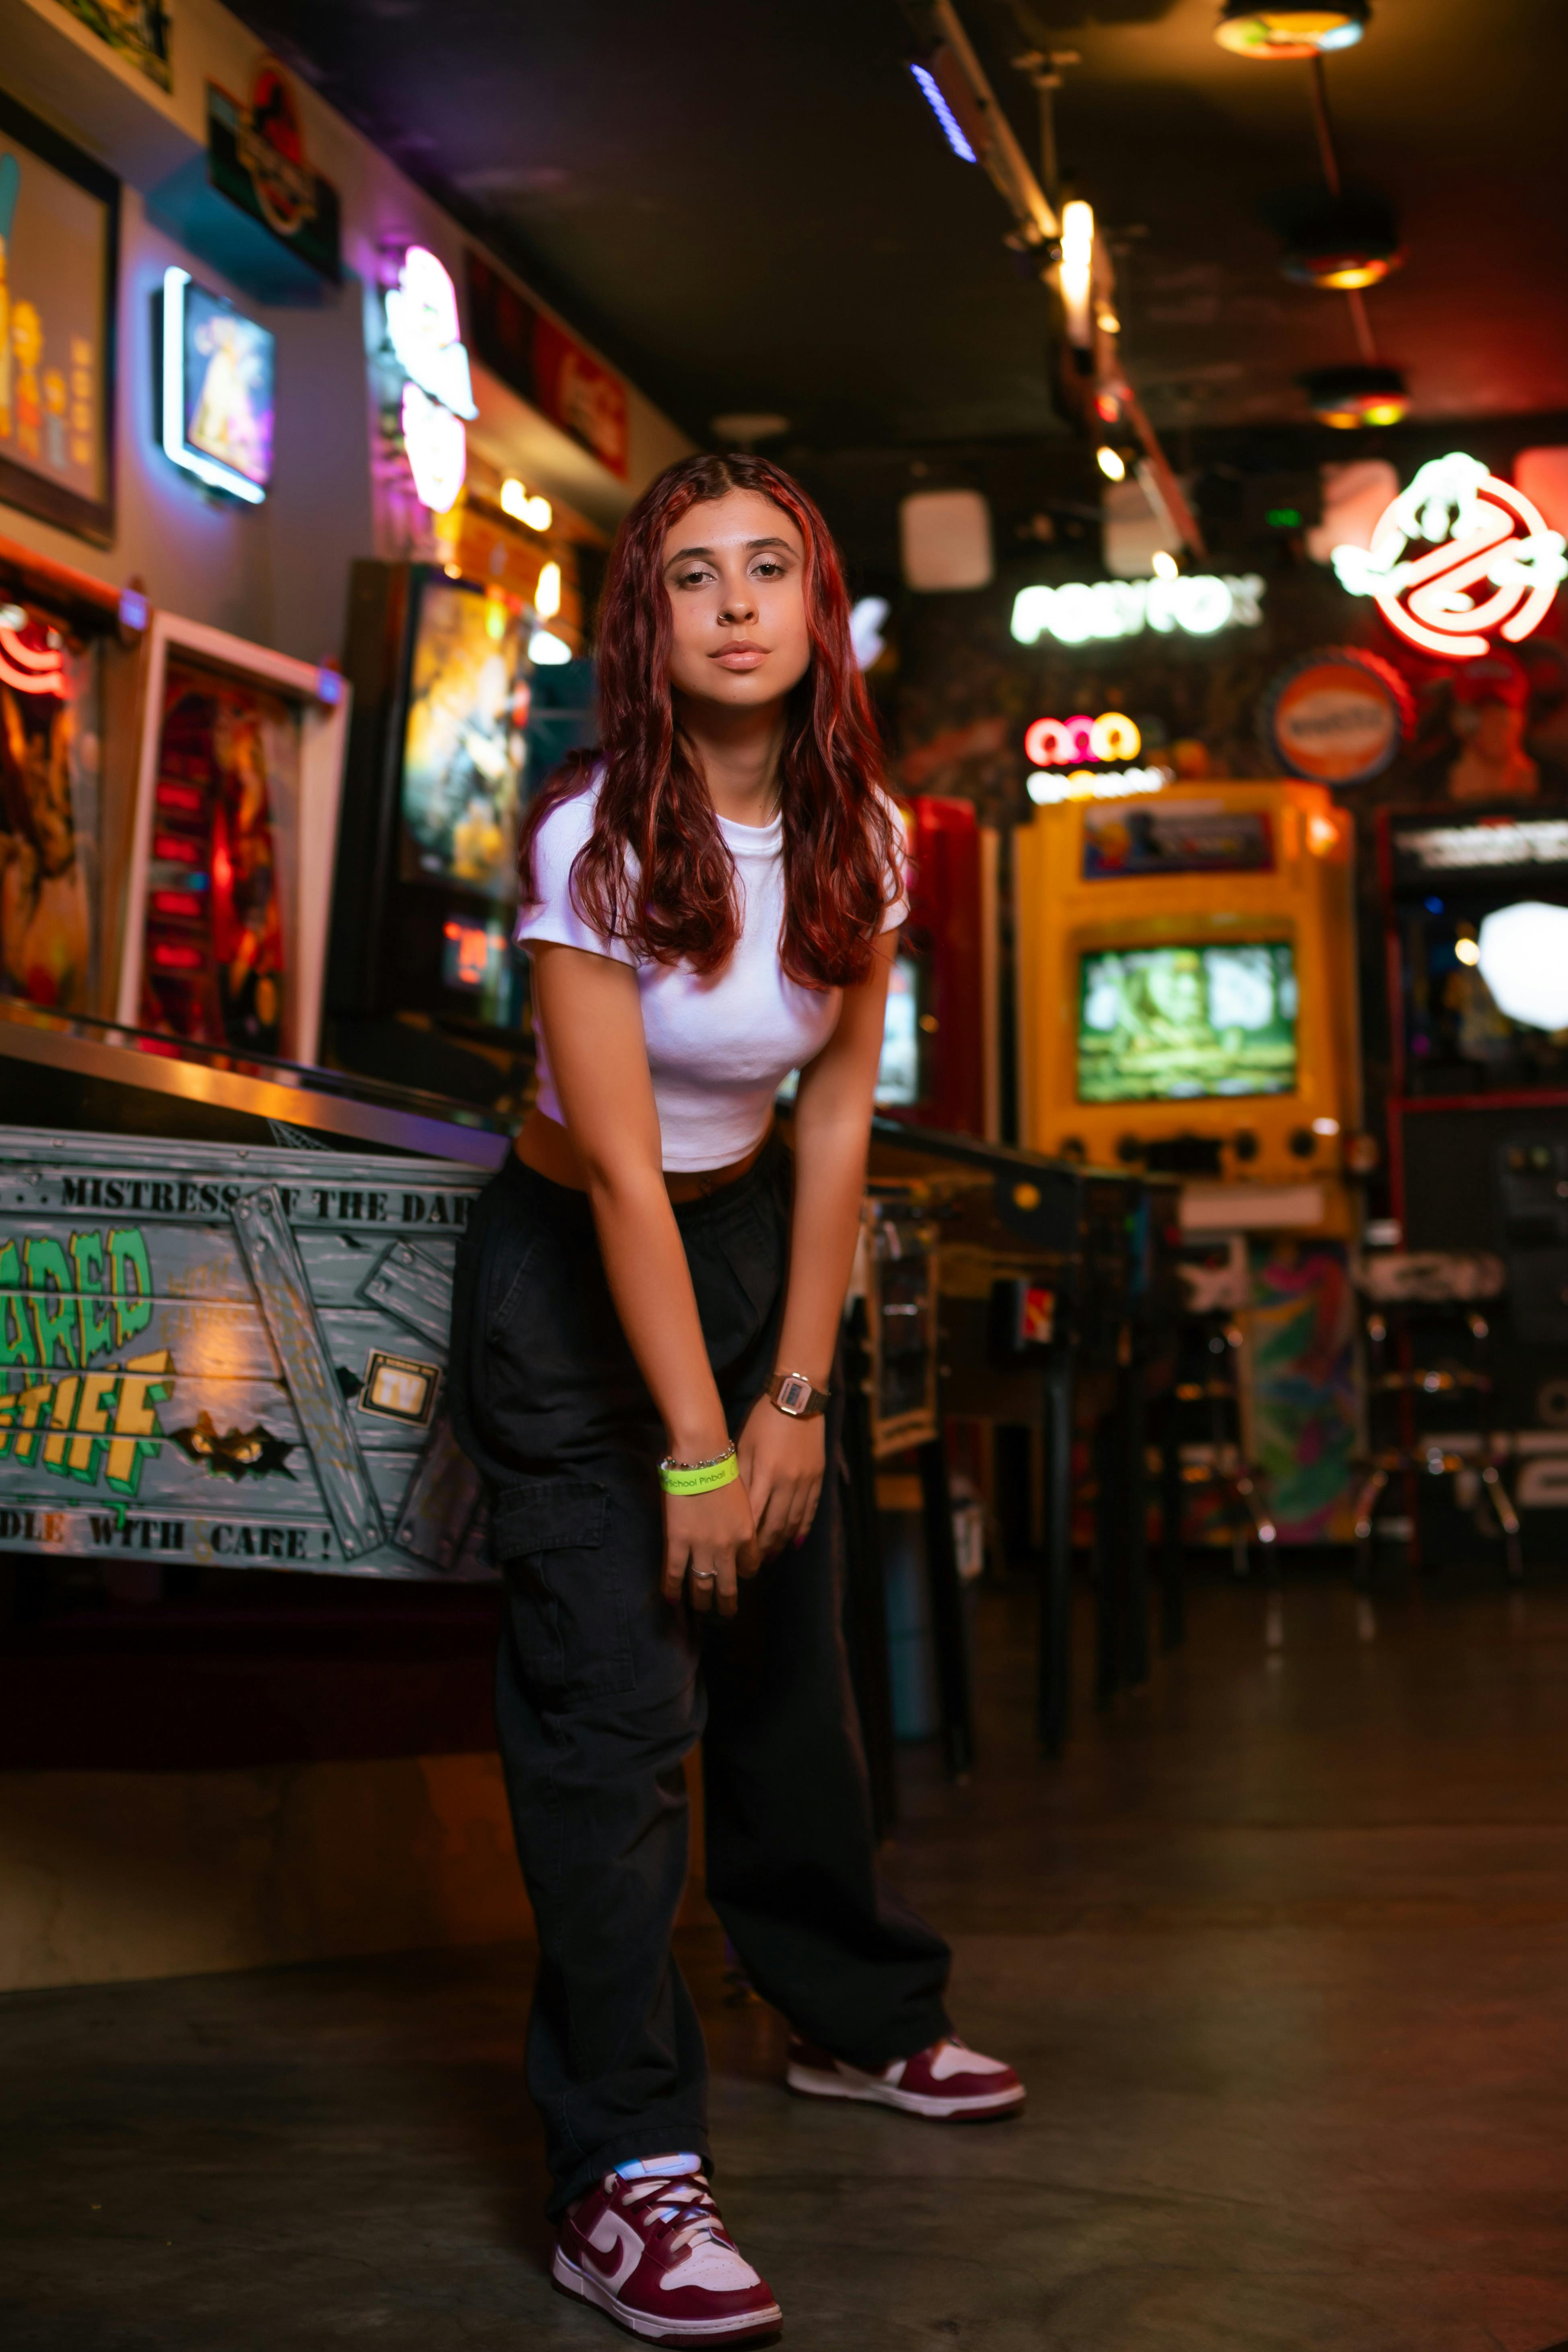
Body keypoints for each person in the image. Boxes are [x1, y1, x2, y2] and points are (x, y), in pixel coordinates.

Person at [448, 452, 1022, 2348]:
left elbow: (838, 1116)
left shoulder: (864, 835)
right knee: (616, 1712)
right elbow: (617, 1173)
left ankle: (851, 2020)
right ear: (652, 624)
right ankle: (623, 2172)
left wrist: (794, 1393)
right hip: (571, 1270)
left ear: (816, 598)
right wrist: (698, 1440)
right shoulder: (587, 840)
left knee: (792, 1659)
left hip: (754, 1236)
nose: (739, 604)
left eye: (770, 567)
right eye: (694, 577)